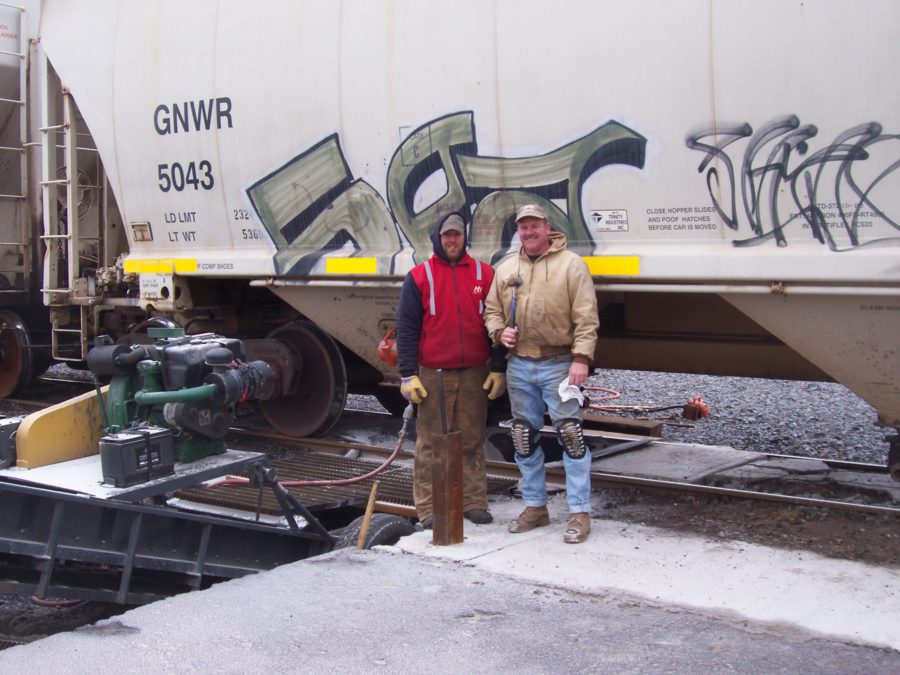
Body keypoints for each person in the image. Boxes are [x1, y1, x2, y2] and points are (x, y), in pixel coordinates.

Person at [483, 204, 599, 543]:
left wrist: (581, 359)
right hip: (519, 364)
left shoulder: (571, 266)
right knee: (523, 435)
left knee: (571, 437)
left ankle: (579, 512)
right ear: (518, 232)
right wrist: (498, 332)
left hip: (559, 364)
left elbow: (587, 317)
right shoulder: (506, 269)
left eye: (534, 226)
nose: (529, 232)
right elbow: (491, 310)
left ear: (547, 228)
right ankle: (536, 506)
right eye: (524, 228)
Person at [395, 211, 507, 529]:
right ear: (438, 238)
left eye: (457, 234)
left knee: (471, 440)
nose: (452, 240)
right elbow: (406, 328)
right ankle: (430, 508)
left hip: (474, 372)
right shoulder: (419, 277)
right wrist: (408, 374)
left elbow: (497, 324)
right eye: (447, 235)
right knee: (431, 442)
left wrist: (498, 368)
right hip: (433, 375)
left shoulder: (485, 275)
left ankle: (473, 501)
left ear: (464, 237)